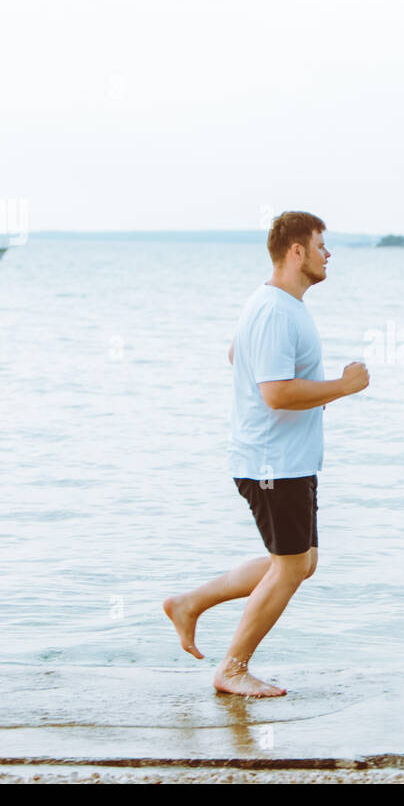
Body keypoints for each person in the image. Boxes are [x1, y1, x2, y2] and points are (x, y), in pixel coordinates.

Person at [163, 211, 369, 697]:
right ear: (296, 251)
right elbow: (275, 393)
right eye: (321, 245)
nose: (328, 254)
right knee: (292, 567)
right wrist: (344, 386)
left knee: (301, 561)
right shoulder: (276, 310)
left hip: (281, 460)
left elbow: (236, 354)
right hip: (274, 465)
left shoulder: (272, 303)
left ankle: (190, 603)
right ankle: (231, 668)